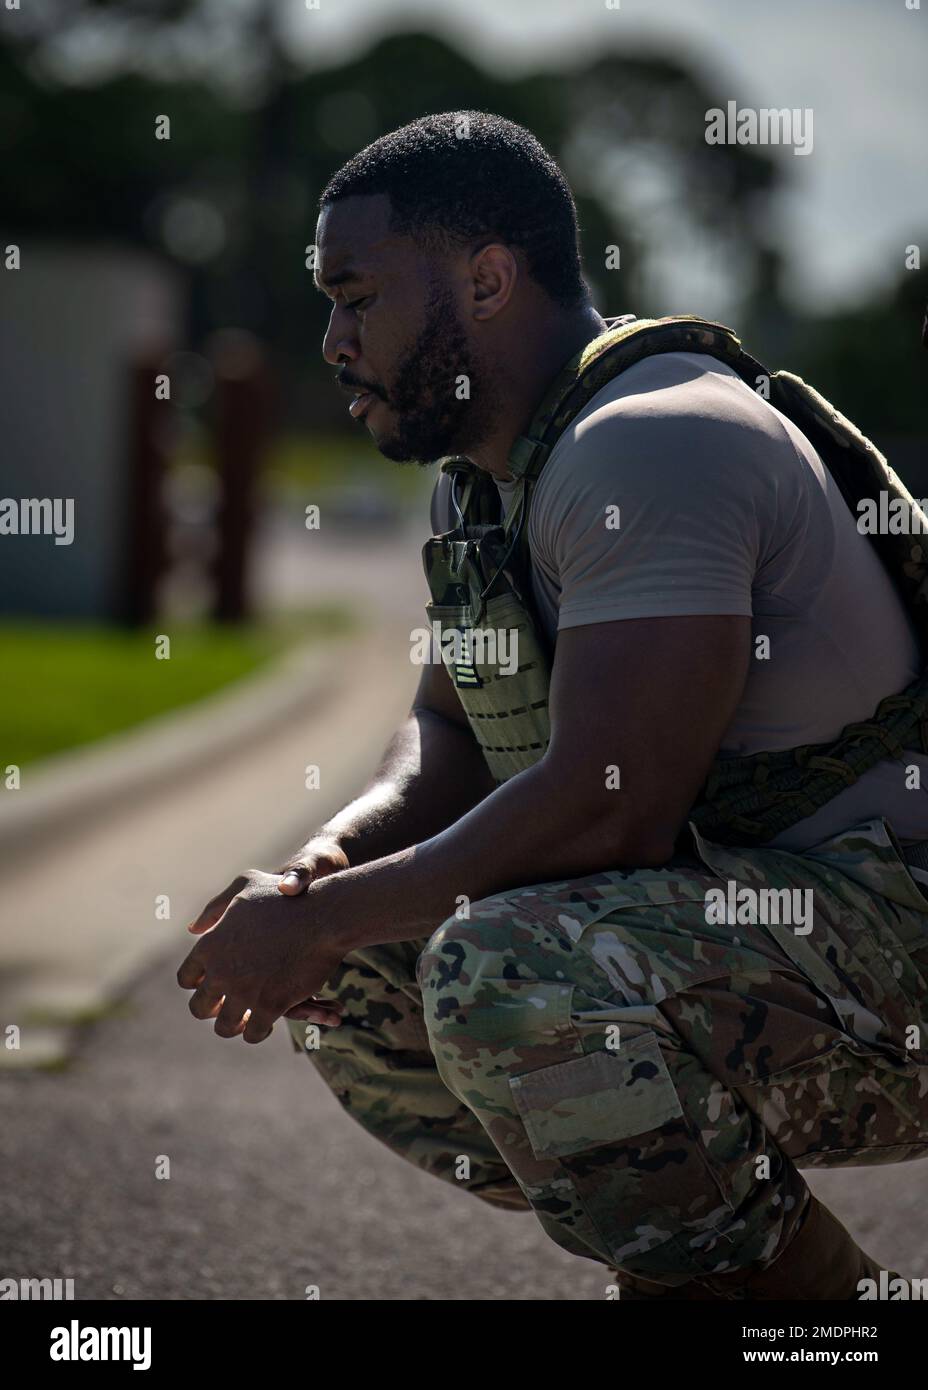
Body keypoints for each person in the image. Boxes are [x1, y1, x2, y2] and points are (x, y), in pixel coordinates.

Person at [178, 112, 928, 1300]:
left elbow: (605, 811)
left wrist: (322, 917)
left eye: (356, 296)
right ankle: (733, 1263)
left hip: (899, 944)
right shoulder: (481, 483)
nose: (331, 339)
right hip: (763, 944)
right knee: (353, 980)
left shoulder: (654, 444)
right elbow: (450, 738)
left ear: (486, 278)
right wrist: (323, 874)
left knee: (513, 971)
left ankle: (788, 1299)